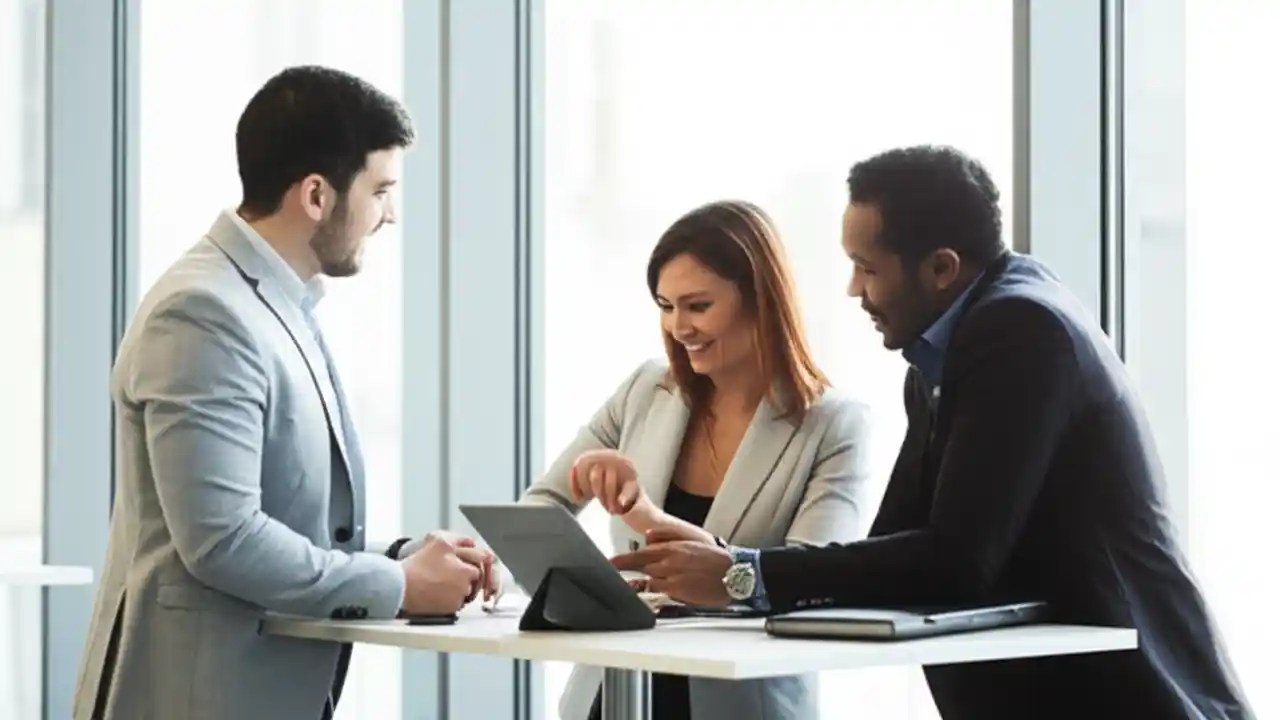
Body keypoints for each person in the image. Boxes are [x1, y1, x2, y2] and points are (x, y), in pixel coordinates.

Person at [614, 146, 1255, 719]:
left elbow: (957, 560)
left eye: (867, 268)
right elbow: (892, 546)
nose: (853, 289)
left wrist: (743, 576)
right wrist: (724, 569)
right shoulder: (940, 354)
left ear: (941, 268)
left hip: (1120, 693)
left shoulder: (1019, 332)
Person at [73, 66, 495, 720]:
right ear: (317, 195)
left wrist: (403, 557)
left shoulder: (275, 304)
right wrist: (401, 585)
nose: (390, 215)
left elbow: (287, 518)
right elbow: (223, 541)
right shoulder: (203, 311)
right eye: (380, 190)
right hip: (195, 698)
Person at [520, 200, 878, 720]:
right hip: (615, 692)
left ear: (760, 297)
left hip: (739, 704)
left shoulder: (835, 425)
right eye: (665, 306)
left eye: (697, 305)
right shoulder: (645, 390)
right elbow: (538, 513)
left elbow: (814, 586)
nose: (677, 327)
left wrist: (646, 517)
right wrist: (600, 587)